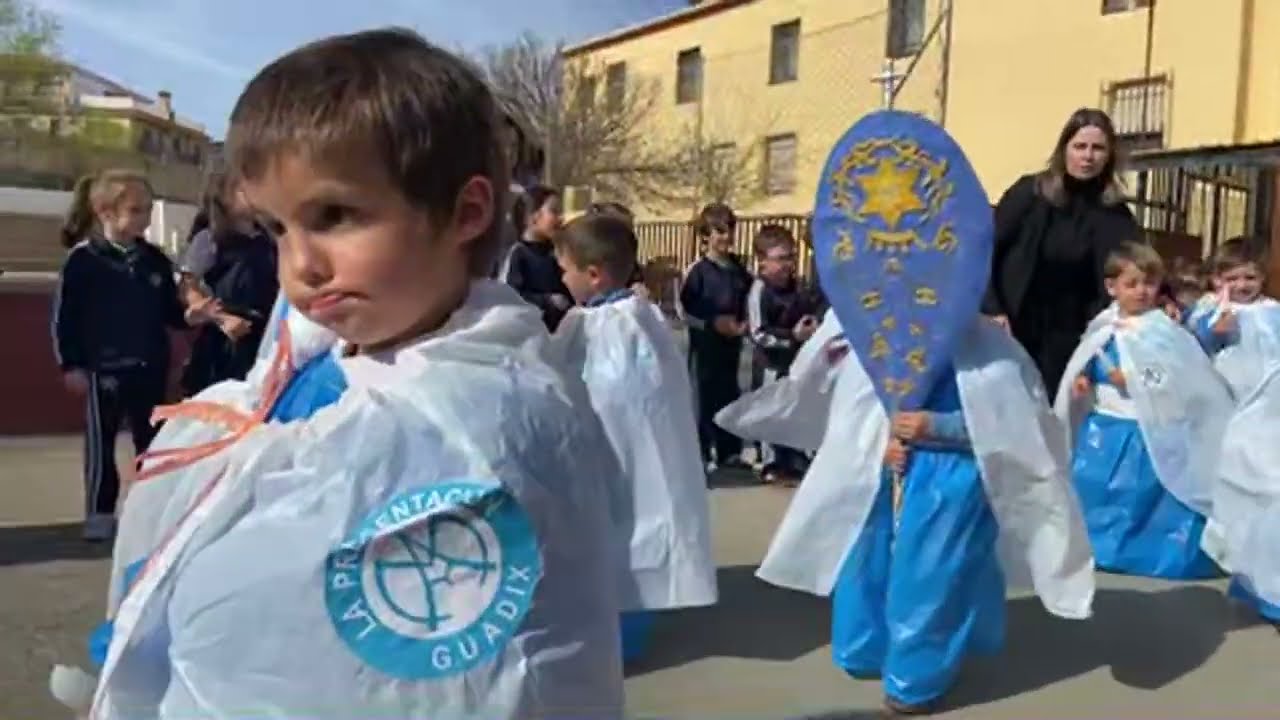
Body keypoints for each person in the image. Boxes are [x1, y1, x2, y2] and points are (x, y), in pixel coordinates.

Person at [85, 29, 624, 719]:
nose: (300, 266)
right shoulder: (318, 361)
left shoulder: (498, 409)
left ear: (465, 212)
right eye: (278, 229)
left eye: (335, 216)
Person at [758, 110, 1094, 716]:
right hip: (882, 476)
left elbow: (1014, 438)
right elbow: (840, 410)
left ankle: (914, 682)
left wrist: (936, 429)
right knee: (867, 563)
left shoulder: (990, 355)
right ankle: (867, 647)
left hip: (948, 479)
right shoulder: (863, 335)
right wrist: (874, 444)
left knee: (930, 576)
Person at [549, 212, 717, 664]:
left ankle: (617, 634)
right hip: (635, 456)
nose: (561, 279)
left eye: (565, 269)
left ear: (593, 274)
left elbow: (604, 396)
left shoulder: (606, 326)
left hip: (613, 457)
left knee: (624, 533)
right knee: (638, 531)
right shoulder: (641, 317)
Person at [1055, 242, 1230, 580]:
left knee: (1142, 490)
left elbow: (1175, 376)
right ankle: (1097, 545)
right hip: (1105, 425)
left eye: (1148, 284)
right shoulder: (1103, 324)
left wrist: (1133, 378)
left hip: (1143, 426)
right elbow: (1087, 359)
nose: (1141, 291)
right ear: (1112, 287)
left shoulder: (1163, 329)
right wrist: (1082, 379)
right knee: (1097, 484)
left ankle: (1143, 550)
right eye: (1131, 284)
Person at [52, 170, 188, 542]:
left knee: (153, 442)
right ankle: (100, 512)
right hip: (104, 369)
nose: (145, 219)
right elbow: (65, 318)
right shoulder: (84, 261)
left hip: (150, 365)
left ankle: (151, 509)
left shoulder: (154, 260)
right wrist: (71, 364)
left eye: (148, 210)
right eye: (136, 210)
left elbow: (171, 313)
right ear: (106, 212)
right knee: (102, 444)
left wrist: (192, 315)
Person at [983, 108, 1141, 391]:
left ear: (1109, 156)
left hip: (1073, 335)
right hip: (1015, 324)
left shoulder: (1115, 212)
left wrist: (1165, 297)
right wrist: (991, 309)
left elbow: (1137, 263)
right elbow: (986, 249)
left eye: (1097, 148)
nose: (1088, 156)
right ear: (1064, 149)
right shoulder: (1030, 193)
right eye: (1080, 146)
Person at [179, 170, 279, 396]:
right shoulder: (209, 239)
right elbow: (188, 287)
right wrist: (220, 318)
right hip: (227, 336)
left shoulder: (270, 238)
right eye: (243, 190)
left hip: (266, 332)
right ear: (224, 197)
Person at [744, 224, 823, 486]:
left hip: (795, 363)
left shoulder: (797, 287)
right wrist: (792, 337)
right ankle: (770, 462)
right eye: (780, 259)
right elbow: (758, 333)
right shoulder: (760, 291)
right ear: (763, 262)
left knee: (794, 409)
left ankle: (794, 459)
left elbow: (808, 311)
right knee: (771, 411)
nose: (787, 265)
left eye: (790, 257)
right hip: (770, 365)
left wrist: (811, 326)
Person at [679, 202, 753, 472]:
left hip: (732, 346)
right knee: (704, 396)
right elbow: (684, 310)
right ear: (706, 235)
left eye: (730, 230)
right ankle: (702, 450)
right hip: (705, 347)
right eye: (719, 231)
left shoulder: (740, 271)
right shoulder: (698, 271)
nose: (726, 236)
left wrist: (744, 325)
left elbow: (750, 302)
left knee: (731, 393)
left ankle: (729, 451)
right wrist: (712, 324)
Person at [1186, 238, 1280, 399]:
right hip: (1222, 389)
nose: (1242, 285)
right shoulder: (1210, 307)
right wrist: (1214, 332)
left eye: (1250, 278)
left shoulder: (1271, 310)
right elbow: (1192, 347)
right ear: (1217, 279)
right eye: (1232, 279)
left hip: (1265, 392)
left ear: (1262, 277)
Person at [501, 184, 573, 331]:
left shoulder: (557, 252)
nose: (561, 218)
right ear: (533, 217)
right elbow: (510, 295)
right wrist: (546, 300)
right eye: (554, 211)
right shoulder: (518, 254)